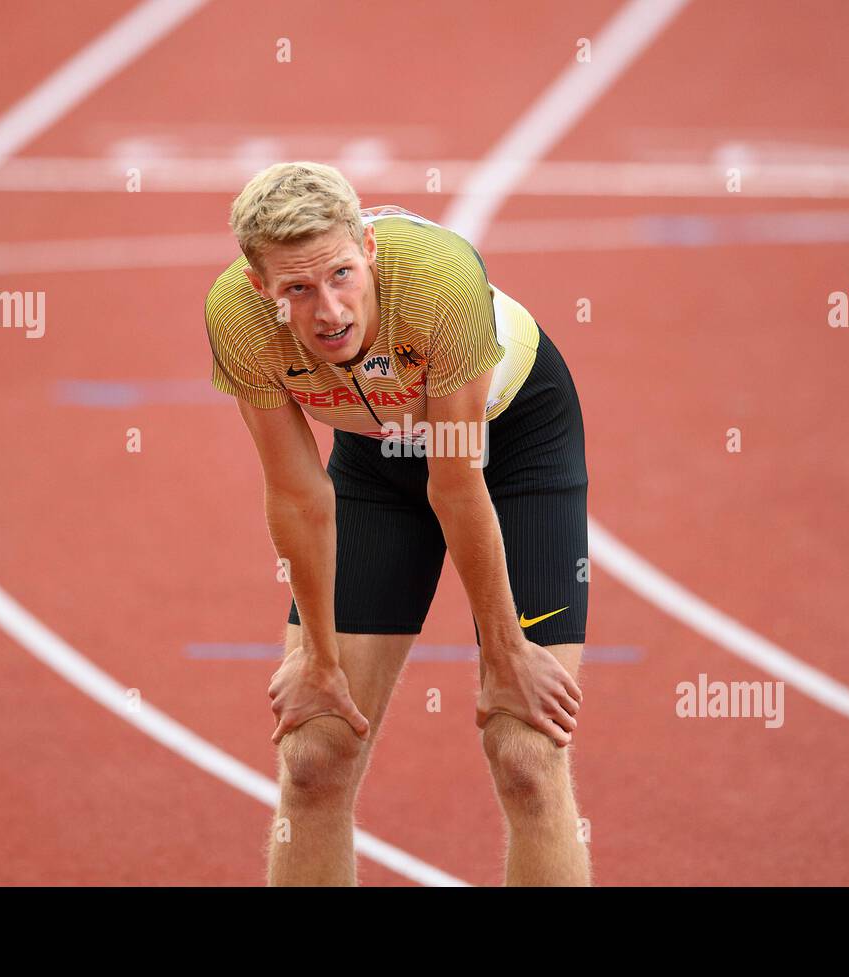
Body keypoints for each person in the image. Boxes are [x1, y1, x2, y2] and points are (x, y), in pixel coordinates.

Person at [205, 161, 590, 885]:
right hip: (376, 460)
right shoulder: (238, 318)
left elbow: (455, 480)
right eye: (298, 289)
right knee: (314, 756)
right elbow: (297, 494)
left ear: (370, 249)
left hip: (510, 449)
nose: (329, 312)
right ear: (262, 289)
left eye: (342, 275)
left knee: (526, 753)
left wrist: (507, 651)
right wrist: (317, 658)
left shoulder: (440, 282)